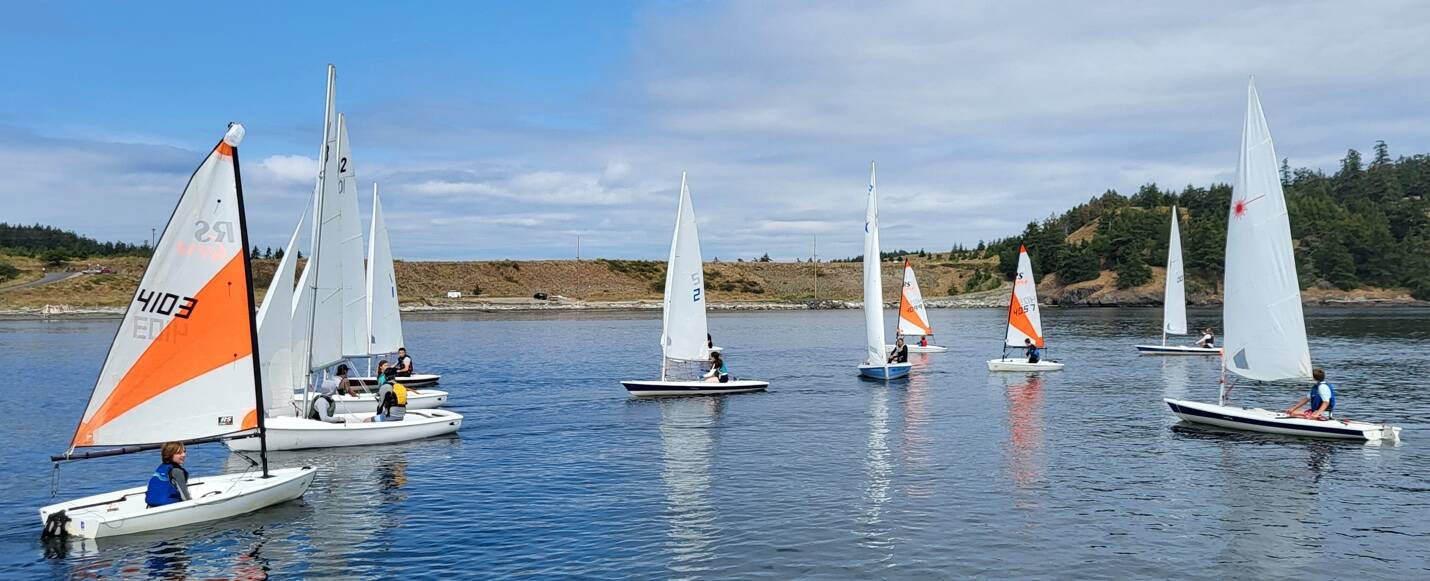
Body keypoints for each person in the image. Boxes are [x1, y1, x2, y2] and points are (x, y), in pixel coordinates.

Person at [145, 442, 191, 508]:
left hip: (151, 507)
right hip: (169, 508)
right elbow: (186, 498)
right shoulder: (177, 471)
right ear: (170, 454)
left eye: (184, 451)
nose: (184, 455)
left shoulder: (162, 468)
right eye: (179, 453)